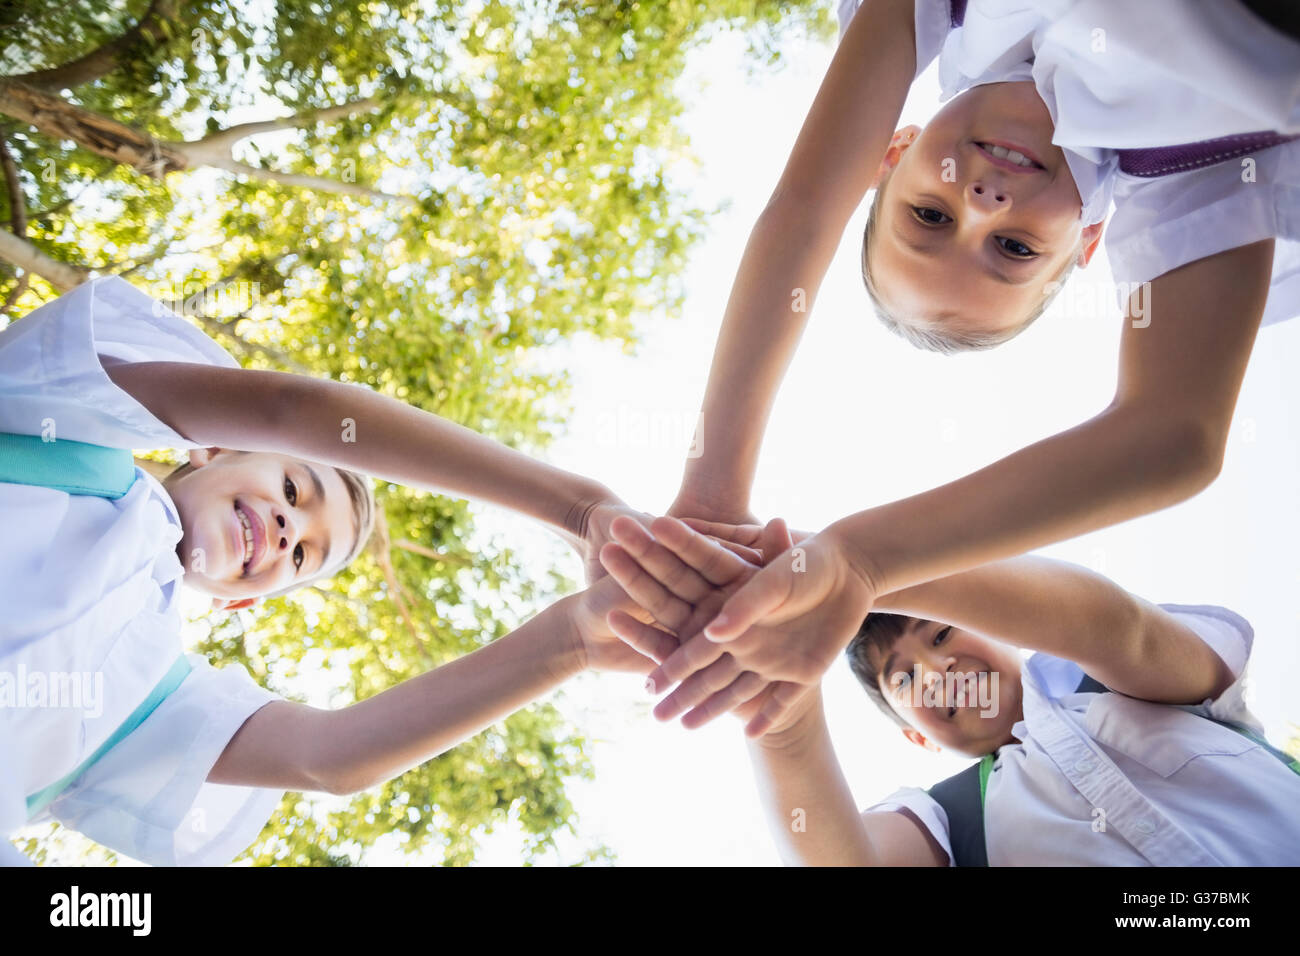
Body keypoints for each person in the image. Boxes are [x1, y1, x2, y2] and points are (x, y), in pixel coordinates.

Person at [657, 0, 1300, 735]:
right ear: (1088, 242)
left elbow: (804, 207)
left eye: (928, 217)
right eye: (1016, 249)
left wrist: (712, 488)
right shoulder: (1193, 167)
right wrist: (862, 558)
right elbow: (1175, 436)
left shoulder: (933, 19)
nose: (985, 204)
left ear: (891, 151)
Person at [0, 275, 649, 865]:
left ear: (242, 603)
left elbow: (331, 758)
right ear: (217, 445)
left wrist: (573, 640)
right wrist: (579, 508)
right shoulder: (67, 435)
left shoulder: (155, 701)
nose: (290, 530)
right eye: (291, 488)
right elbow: (292, 408)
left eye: (305, 556)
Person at [598, 514, 1300, 865]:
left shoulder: (1119, 677)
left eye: (939, 636)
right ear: (913, 734)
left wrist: (850, 572)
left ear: (1009, 638)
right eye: (902, 678)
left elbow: (1119, 626)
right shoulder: (949, 821)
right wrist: (784, 716)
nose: (935, 671)